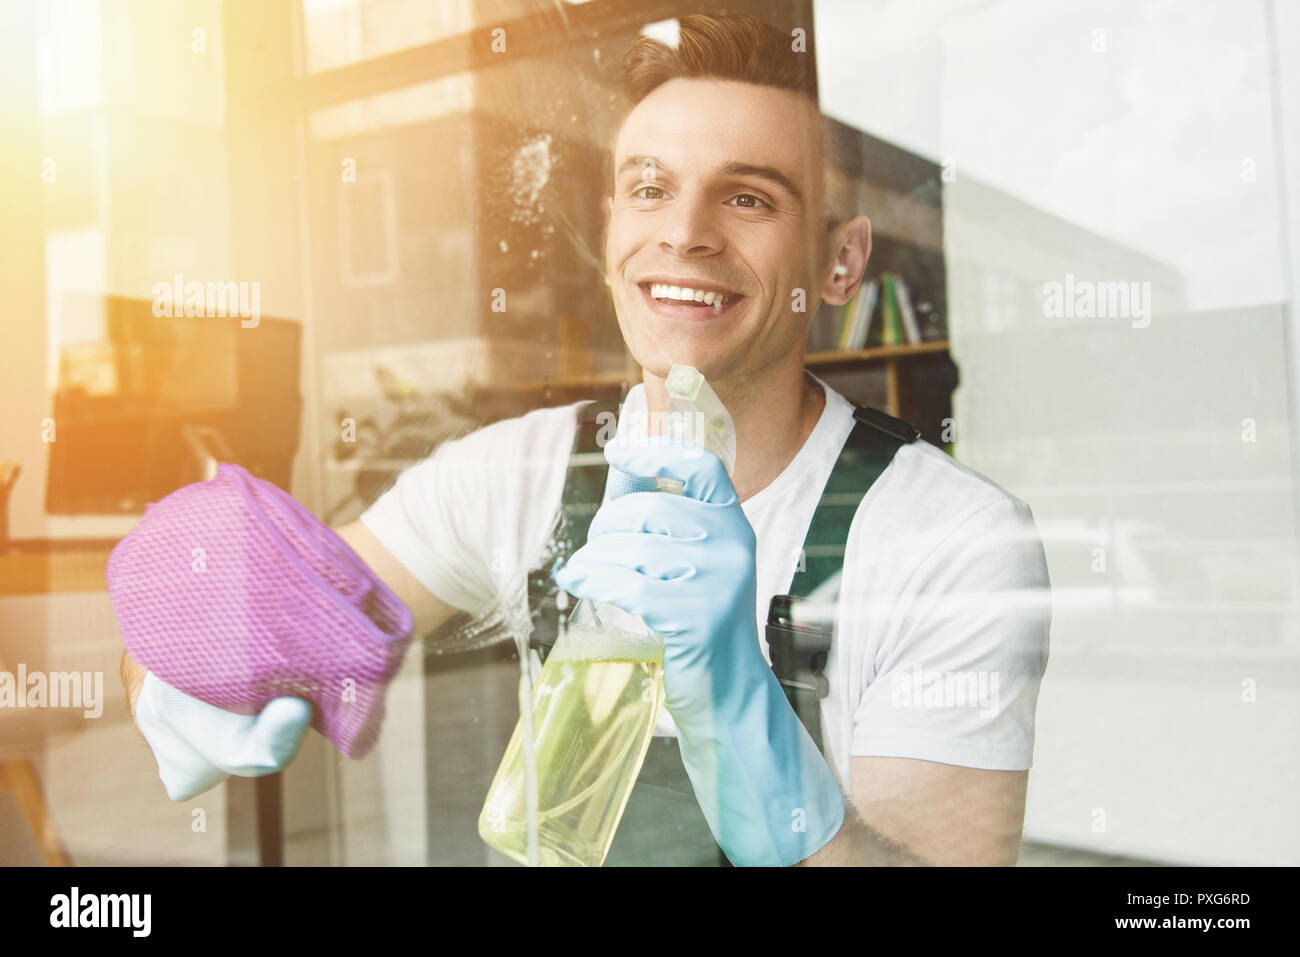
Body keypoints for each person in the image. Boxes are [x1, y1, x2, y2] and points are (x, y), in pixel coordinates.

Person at [119, 12, 1050, 867]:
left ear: (840, 262)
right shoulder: (521, 474)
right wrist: (180, 654)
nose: (684, 234)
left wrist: (738, 707)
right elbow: (281, 618)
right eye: (649, 189)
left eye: (750, 200)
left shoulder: (952, 540)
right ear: (609, 230)